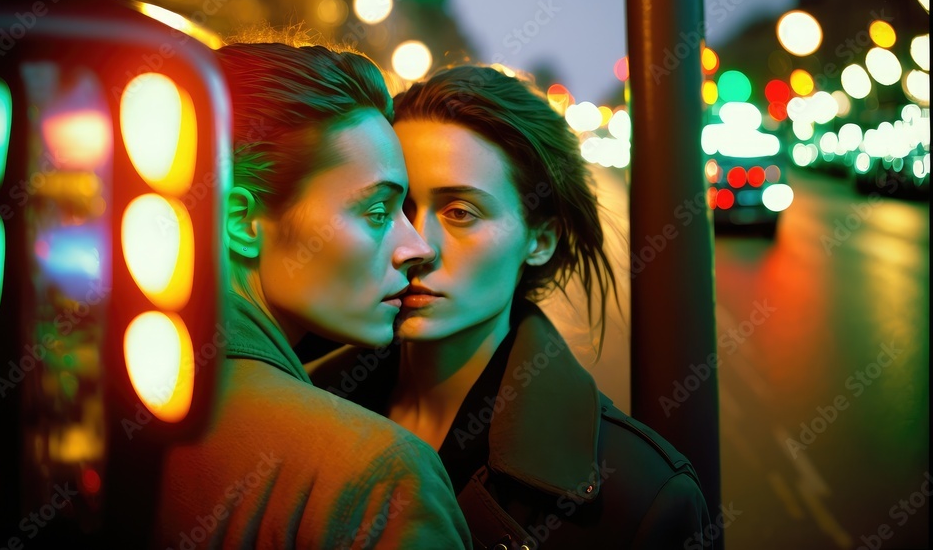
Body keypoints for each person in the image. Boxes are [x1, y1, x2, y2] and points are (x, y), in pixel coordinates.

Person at [309, 65, 713, 549]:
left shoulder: (640, 496)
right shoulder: (305, 405)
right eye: (392, 209)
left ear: (540, 238)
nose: (415, 245)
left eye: (461, 212)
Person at [153, 42, 472, 549]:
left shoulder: (99, 393)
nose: (416, 247)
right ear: (242, 221)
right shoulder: (380, 477)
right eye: (376, 213)